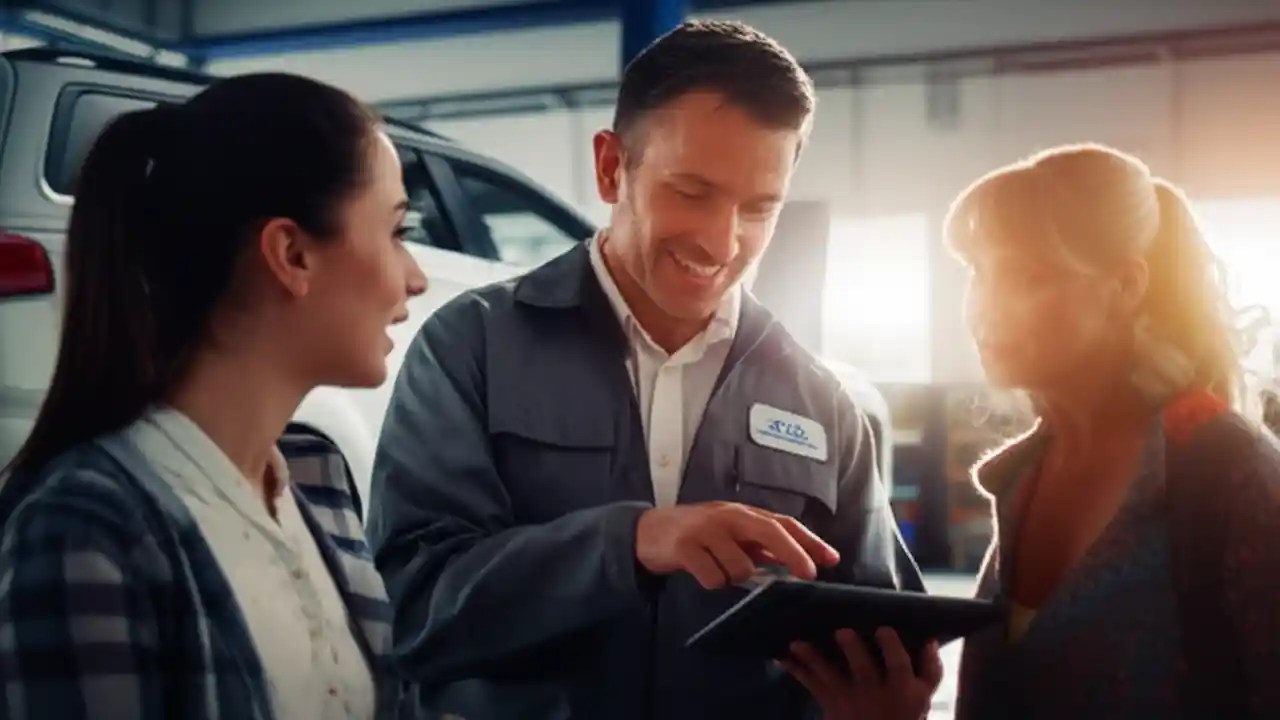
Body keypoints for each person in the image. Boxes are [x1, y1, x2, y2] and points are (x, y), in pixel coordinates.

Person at [367, 19, 923, 720]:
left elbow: (876, 626)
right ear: (610, 167)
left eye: (759, 208)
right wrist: (634, 541)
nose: (724, 242)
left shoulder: (819, 399)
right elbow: (411, 613)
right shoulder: (472, 346)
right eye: (691, 192)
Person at [782, 143, 1280, 718]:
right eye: (980, 274)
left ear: (1125, 287)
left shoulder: (1232, 478)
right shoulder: (1021, 479)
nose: (987, 307)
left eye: (1028, 276)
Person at [0, 73, 427, 720]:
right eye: (397, 231)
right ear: (291, 254)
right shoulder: (84, 528)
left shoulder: (319, 483)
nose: (418, 278)